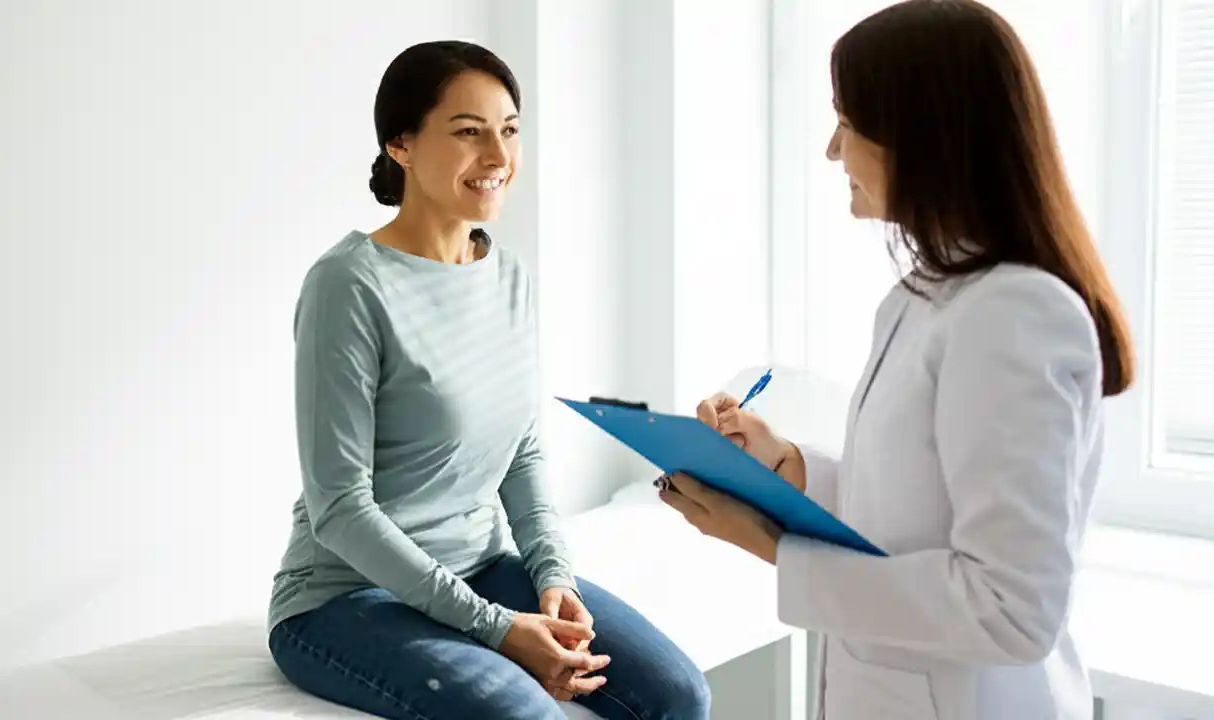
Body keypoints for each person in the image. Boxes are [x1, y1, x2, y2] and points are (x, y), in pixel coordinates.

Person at [657, 2, 1134, 719]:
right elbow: (917, 512)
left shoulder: (1013, 314)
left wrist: (776, 550)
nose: (830, 151)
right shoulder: (927, 297)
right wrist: (788, 465)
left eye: (846, 125)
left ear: (919, 138)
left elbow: (1010, 609)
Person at [267, 41, 710, 720]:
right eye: (469, 132)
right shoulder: (348, 286)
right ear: (402, 146)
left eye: (508, 131)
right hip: (343, 598)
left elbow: (522, 452)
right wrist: (496, 627)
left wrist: (551, 576)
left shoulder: (507, 277)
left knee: (680, 694)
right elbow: (339, 508)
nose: (499, 158)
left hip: (482, 565)